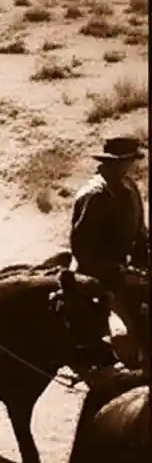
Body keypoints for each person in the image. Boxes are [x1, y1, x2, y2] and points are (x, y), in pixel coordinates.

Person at [71, 136, 149, 369]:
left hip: (128, 275)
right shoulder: (95, 195)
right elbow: (83, 250)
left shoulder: (129, 188)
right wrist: (119, 272)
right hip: (97, 279)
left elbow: (140, 236)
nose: (127, 167)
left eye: (129, 162)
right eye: (124, 161)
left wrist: (142, 263)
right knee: (121, 337)